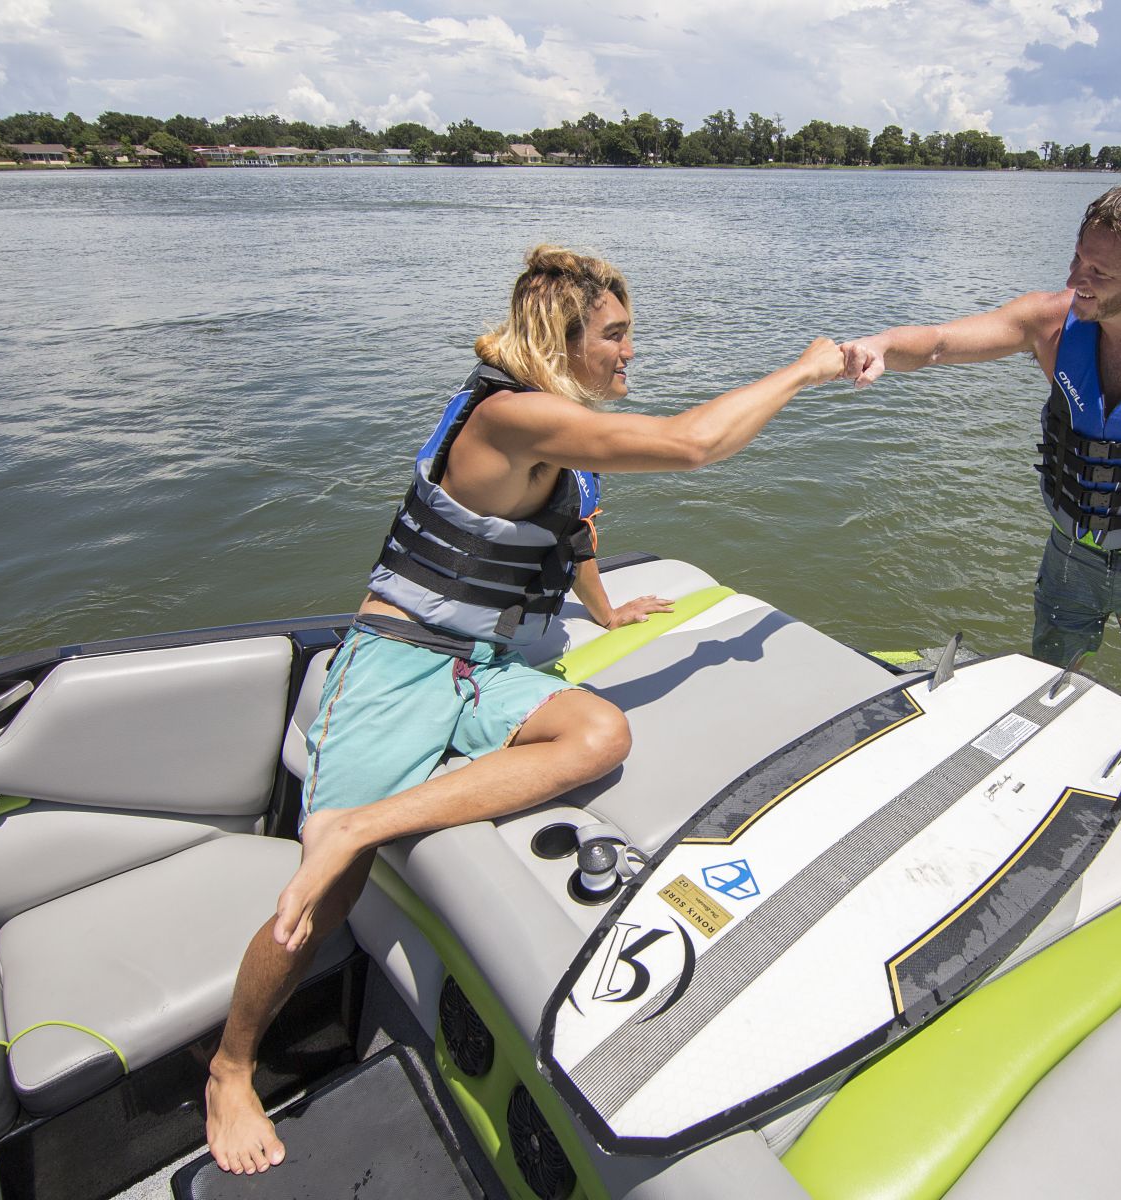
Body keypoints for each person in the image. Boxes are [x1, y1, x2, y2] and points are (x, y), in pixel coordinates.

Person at [205, 245, 845, 1174]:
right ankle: (230, 1068)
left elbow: (567, 527)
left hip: (489, 663)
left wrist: (603, 609)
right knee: (328, 889)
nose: (632, 353)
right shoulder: (510, 416)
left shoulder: (555, 424)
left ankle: (365, 824)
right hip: (401, 662)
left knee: (601, 731)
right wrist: (805, 367)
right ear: (564, 338)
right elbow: (692, 445)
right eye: (617, 336)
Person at [841, 180, 1121, 832]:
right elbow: (938, 342)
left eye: (1099, 270)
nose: (1078, 280)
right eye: (1077, 258)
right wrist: (876, 344)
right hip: (1071, 547)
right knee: (1052, 663)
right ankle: (1043, 755)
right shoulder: (1054, 321)